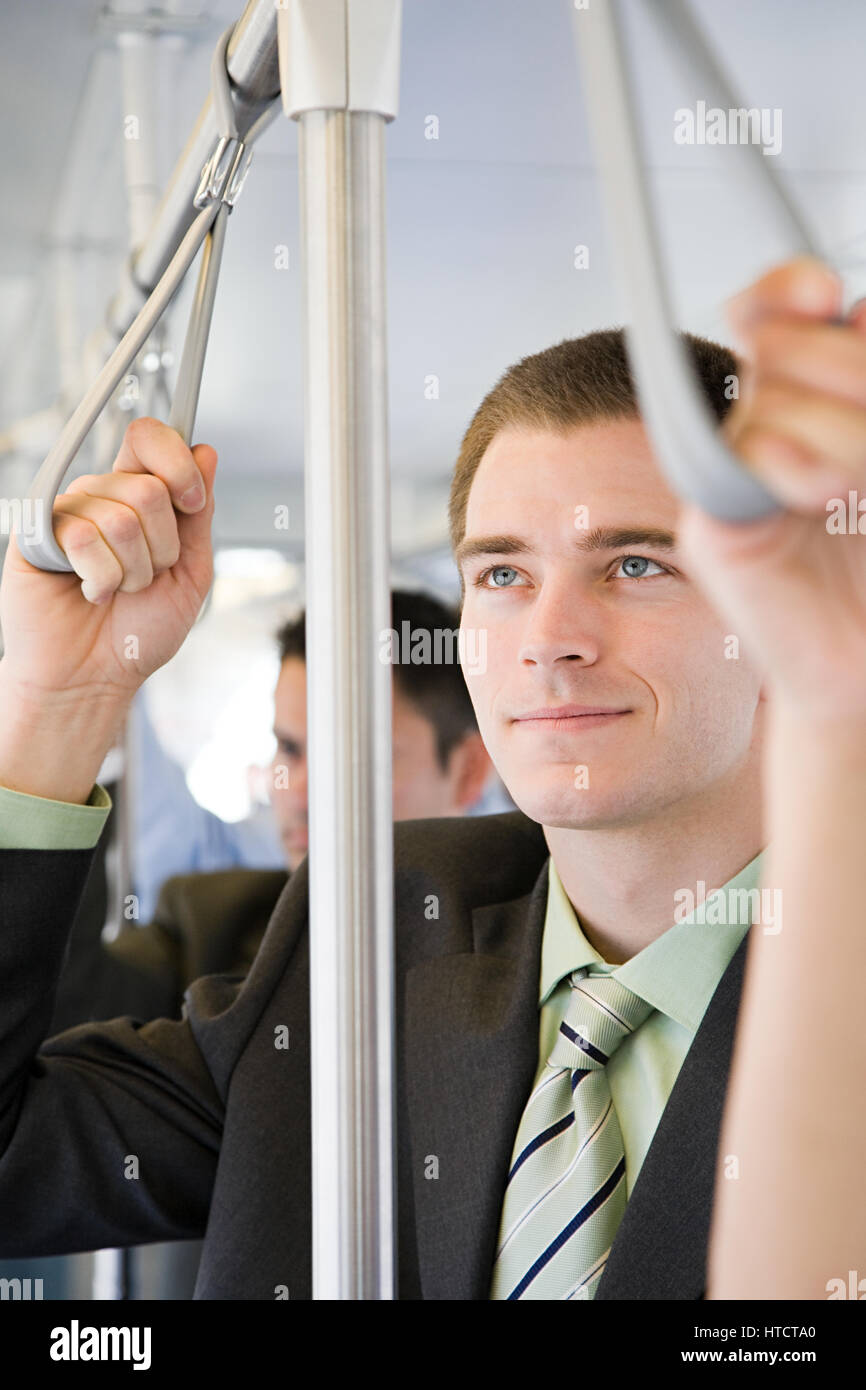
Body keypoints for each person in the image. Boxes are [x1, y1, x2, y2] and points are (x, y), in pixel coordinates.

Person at [0, 256, 863, 1299]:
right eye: (501, 574)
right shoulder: (372, 938)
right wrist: (61, 701)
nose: (548, 639)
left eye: (635, 564)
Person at [47, 589, 493, 1034]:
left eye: (350, 759)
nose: (299, 792)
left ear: (469, 770)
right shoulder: (207, 931)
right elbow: (63, 1014)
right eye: (290, 749)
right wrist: (79, 712)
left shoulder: (529, 956)